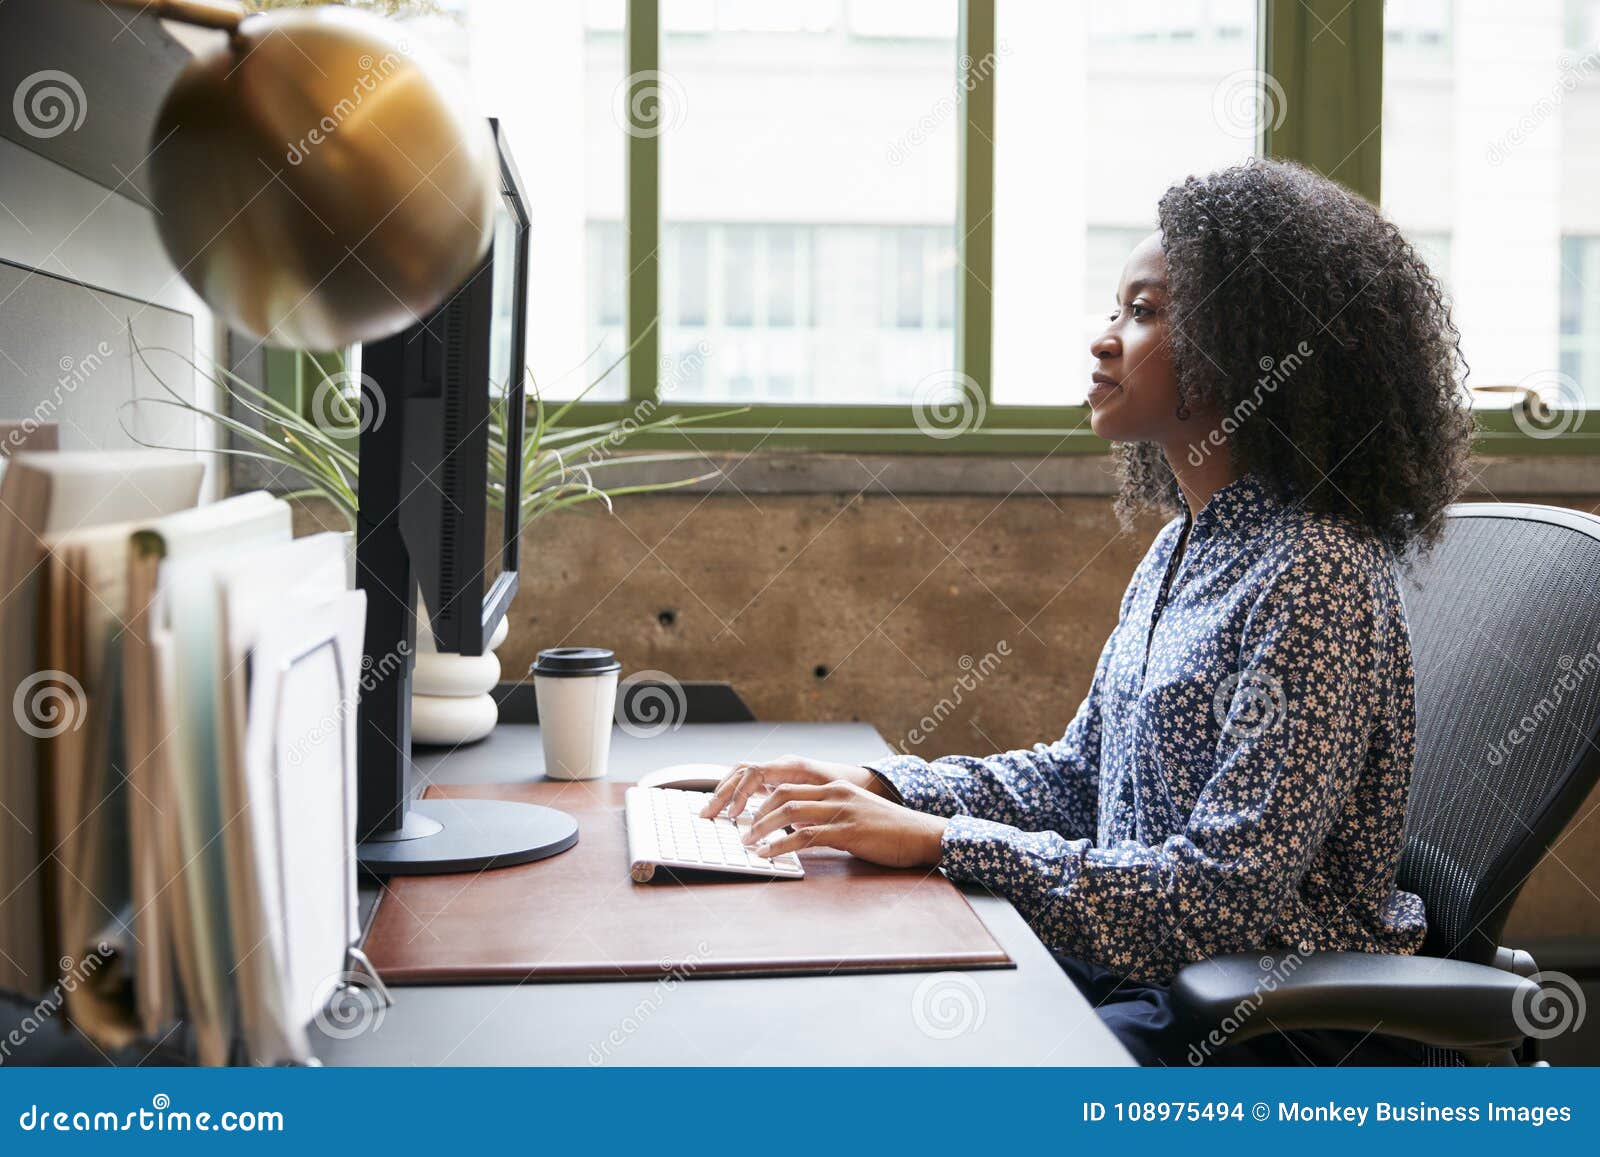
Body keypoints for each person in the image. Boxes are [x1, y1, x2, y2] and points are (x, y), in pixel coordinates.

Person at [702, 158, 1475, 1066]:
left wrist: (942, 843)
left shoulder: (1315, 574)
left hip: (1261, 1023)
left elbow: (1226, 897)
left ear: (1249, 349)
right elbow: (1080, 780)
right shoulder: (1184, 547)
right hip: (1144, 971)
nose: (1106, 339)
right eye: (1116, 309)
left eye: (1145, 313)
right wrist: (883, 788)